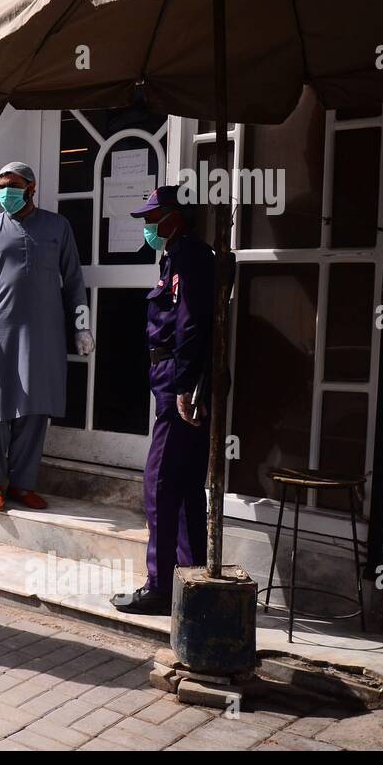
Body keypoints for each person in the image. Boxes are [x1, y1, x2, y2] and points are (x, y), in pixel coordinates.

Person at [0, 161, 91, 513]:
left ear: (32, 188)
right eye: (1, 185)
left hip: (46, 334)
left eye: (14, 186)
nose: (6, 192)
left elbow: (74, 282)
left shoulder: (57, 227)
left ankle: (22, 484)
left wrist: (82, 325)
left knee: (36, 408)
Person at [112, 186, 215, 615]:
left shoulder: (189, 257)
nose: (147, 226)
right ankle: (190, 581)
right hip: (173, 377)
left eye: (152, 218)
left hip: (178, 380)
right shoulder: (175, 256)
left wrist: (186, 388)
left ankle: (159, 587)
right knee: (186, 482)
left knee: (161, 483)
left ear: (174, 217)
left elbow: (191, 326)